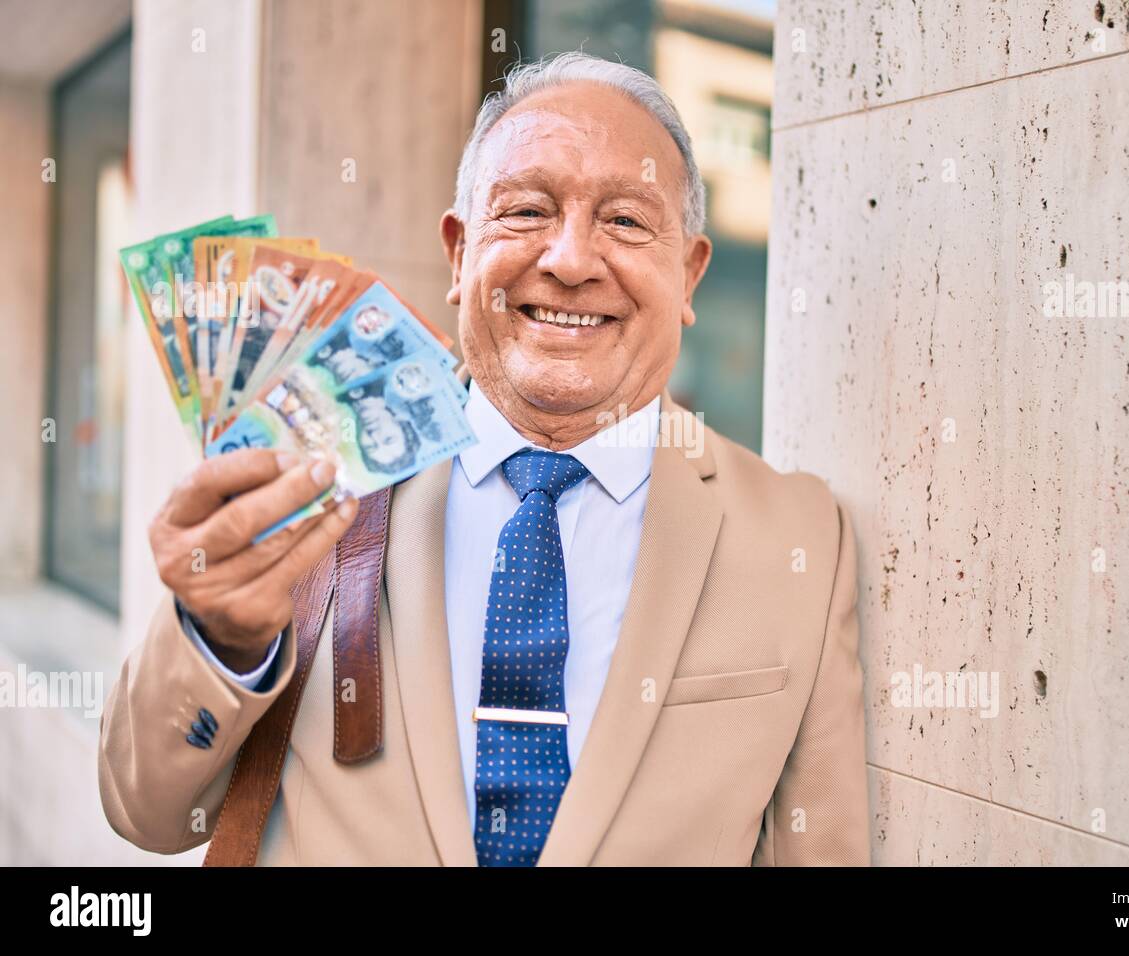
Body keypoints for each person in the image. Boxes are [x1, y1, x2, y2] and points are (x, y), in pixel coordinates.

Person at [98, 52, 869, 866]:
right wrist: (220, 636)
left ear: (689, 273)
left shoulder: (801, 538)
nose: (570, 260)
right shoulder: (310, 470)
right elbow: (149, 813)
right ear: (460, 254)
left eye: (627, 221)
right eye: (528, 210)